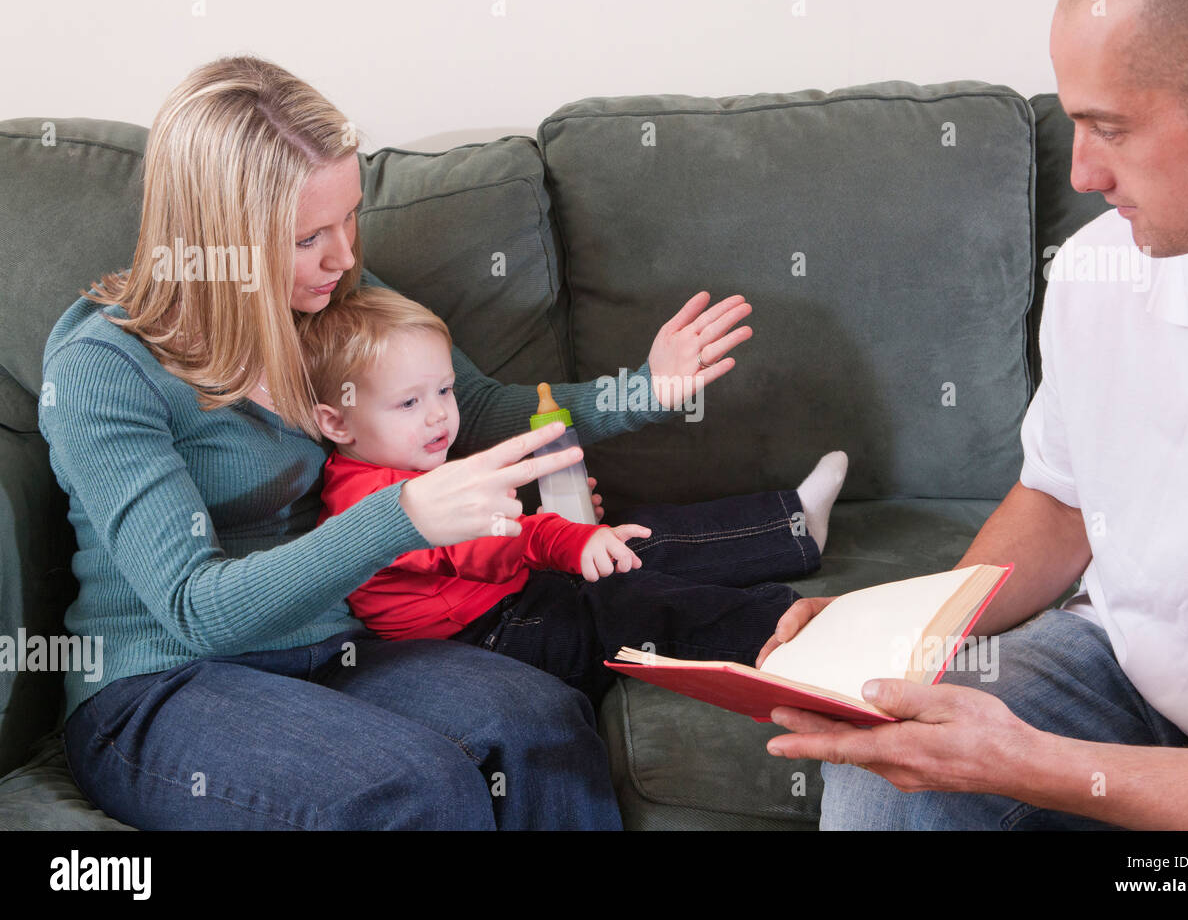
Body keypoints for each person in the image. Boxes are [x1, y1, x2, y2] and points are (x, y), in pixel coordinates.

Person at [39, 55, 772, 829]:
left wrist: (644, 392)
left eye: (350, 216)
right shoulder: (101, 369)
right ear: (219, 237)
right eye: (307, 236)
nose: (345, 256)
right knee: (414, 788)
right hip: (166, 684)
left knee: (540, 726)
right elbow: (197, 608)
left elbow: (481, 407)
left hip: (329, 648)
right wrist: (409, 515)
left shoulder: (325, 299)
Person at [761, 0, 1188, 830]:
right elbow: (1061, 500)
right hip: (1120, 666)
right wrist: (908, 625)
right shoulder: (1100, 271)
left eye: (1110, 128)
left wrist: (1044, 767)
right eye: (1072, 122)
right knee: (888, 774)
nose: (1084, 173)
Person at [298, 285, 849, 704]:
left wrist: (572, 532)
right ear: (337, 422)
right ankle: (794, 638)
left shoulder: (399, 464)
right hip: (486, 638)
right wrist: (564, 538)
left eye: (444, 390)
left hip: (509, 596)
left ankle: (792, 525)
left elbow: (505, 540)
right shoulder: (367, 504)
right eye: (408, 403)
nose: (440, 414)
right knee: (631, 603)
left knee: (634, 537)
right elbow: (488, 547)